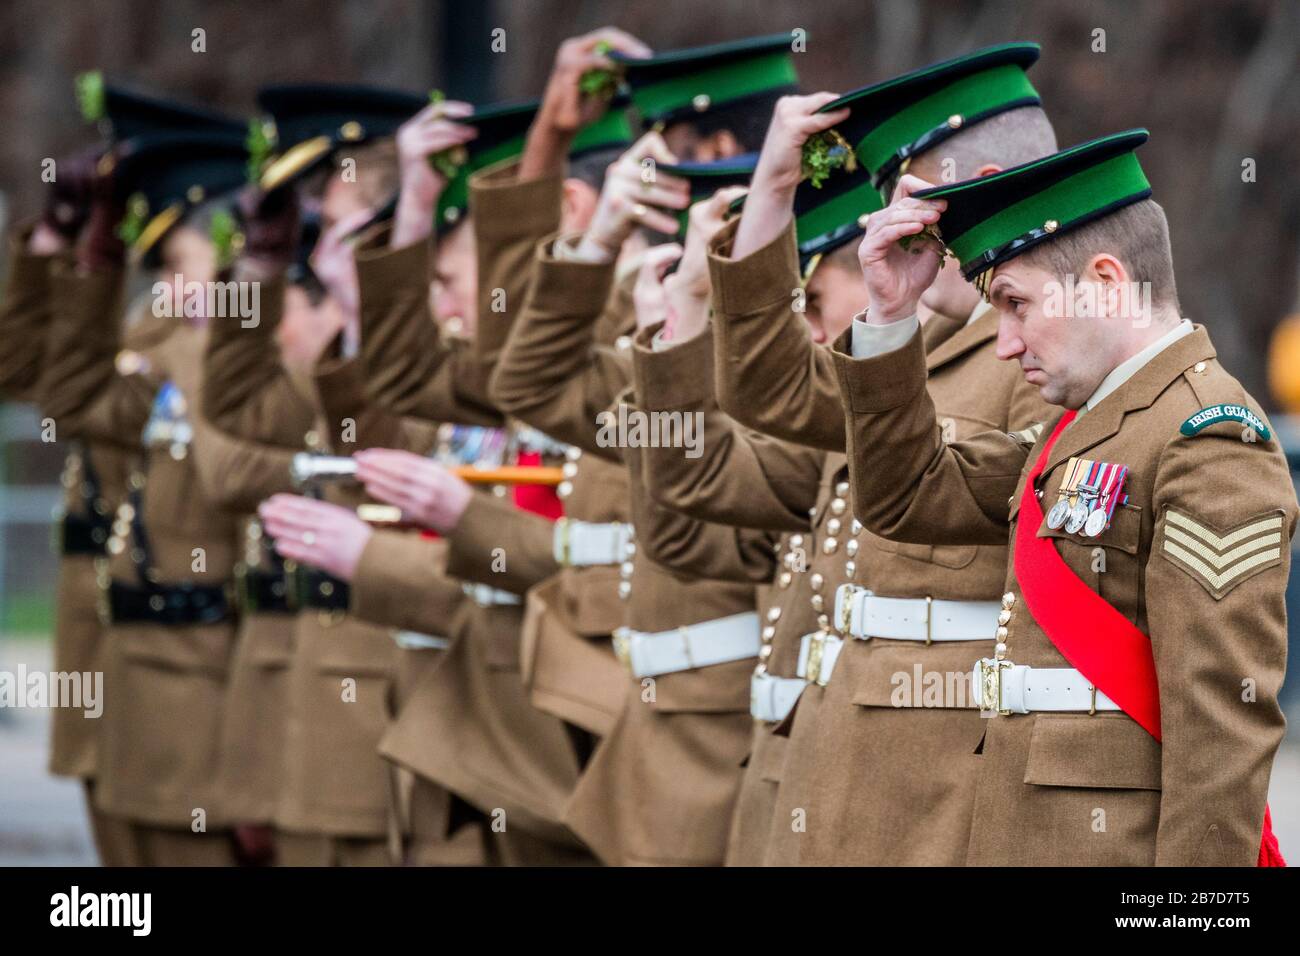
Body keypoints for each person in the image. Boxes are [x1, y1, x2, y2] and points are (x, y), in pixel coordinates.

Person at [835, 128, 1292, 865]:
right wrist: (888, 320)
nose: (1004, 342)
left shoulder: (1210, 437)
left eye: (1017, 305)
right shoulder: (1082, 428)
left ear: (1108, 282)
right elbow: (905, 497)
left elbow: (1221, 731)